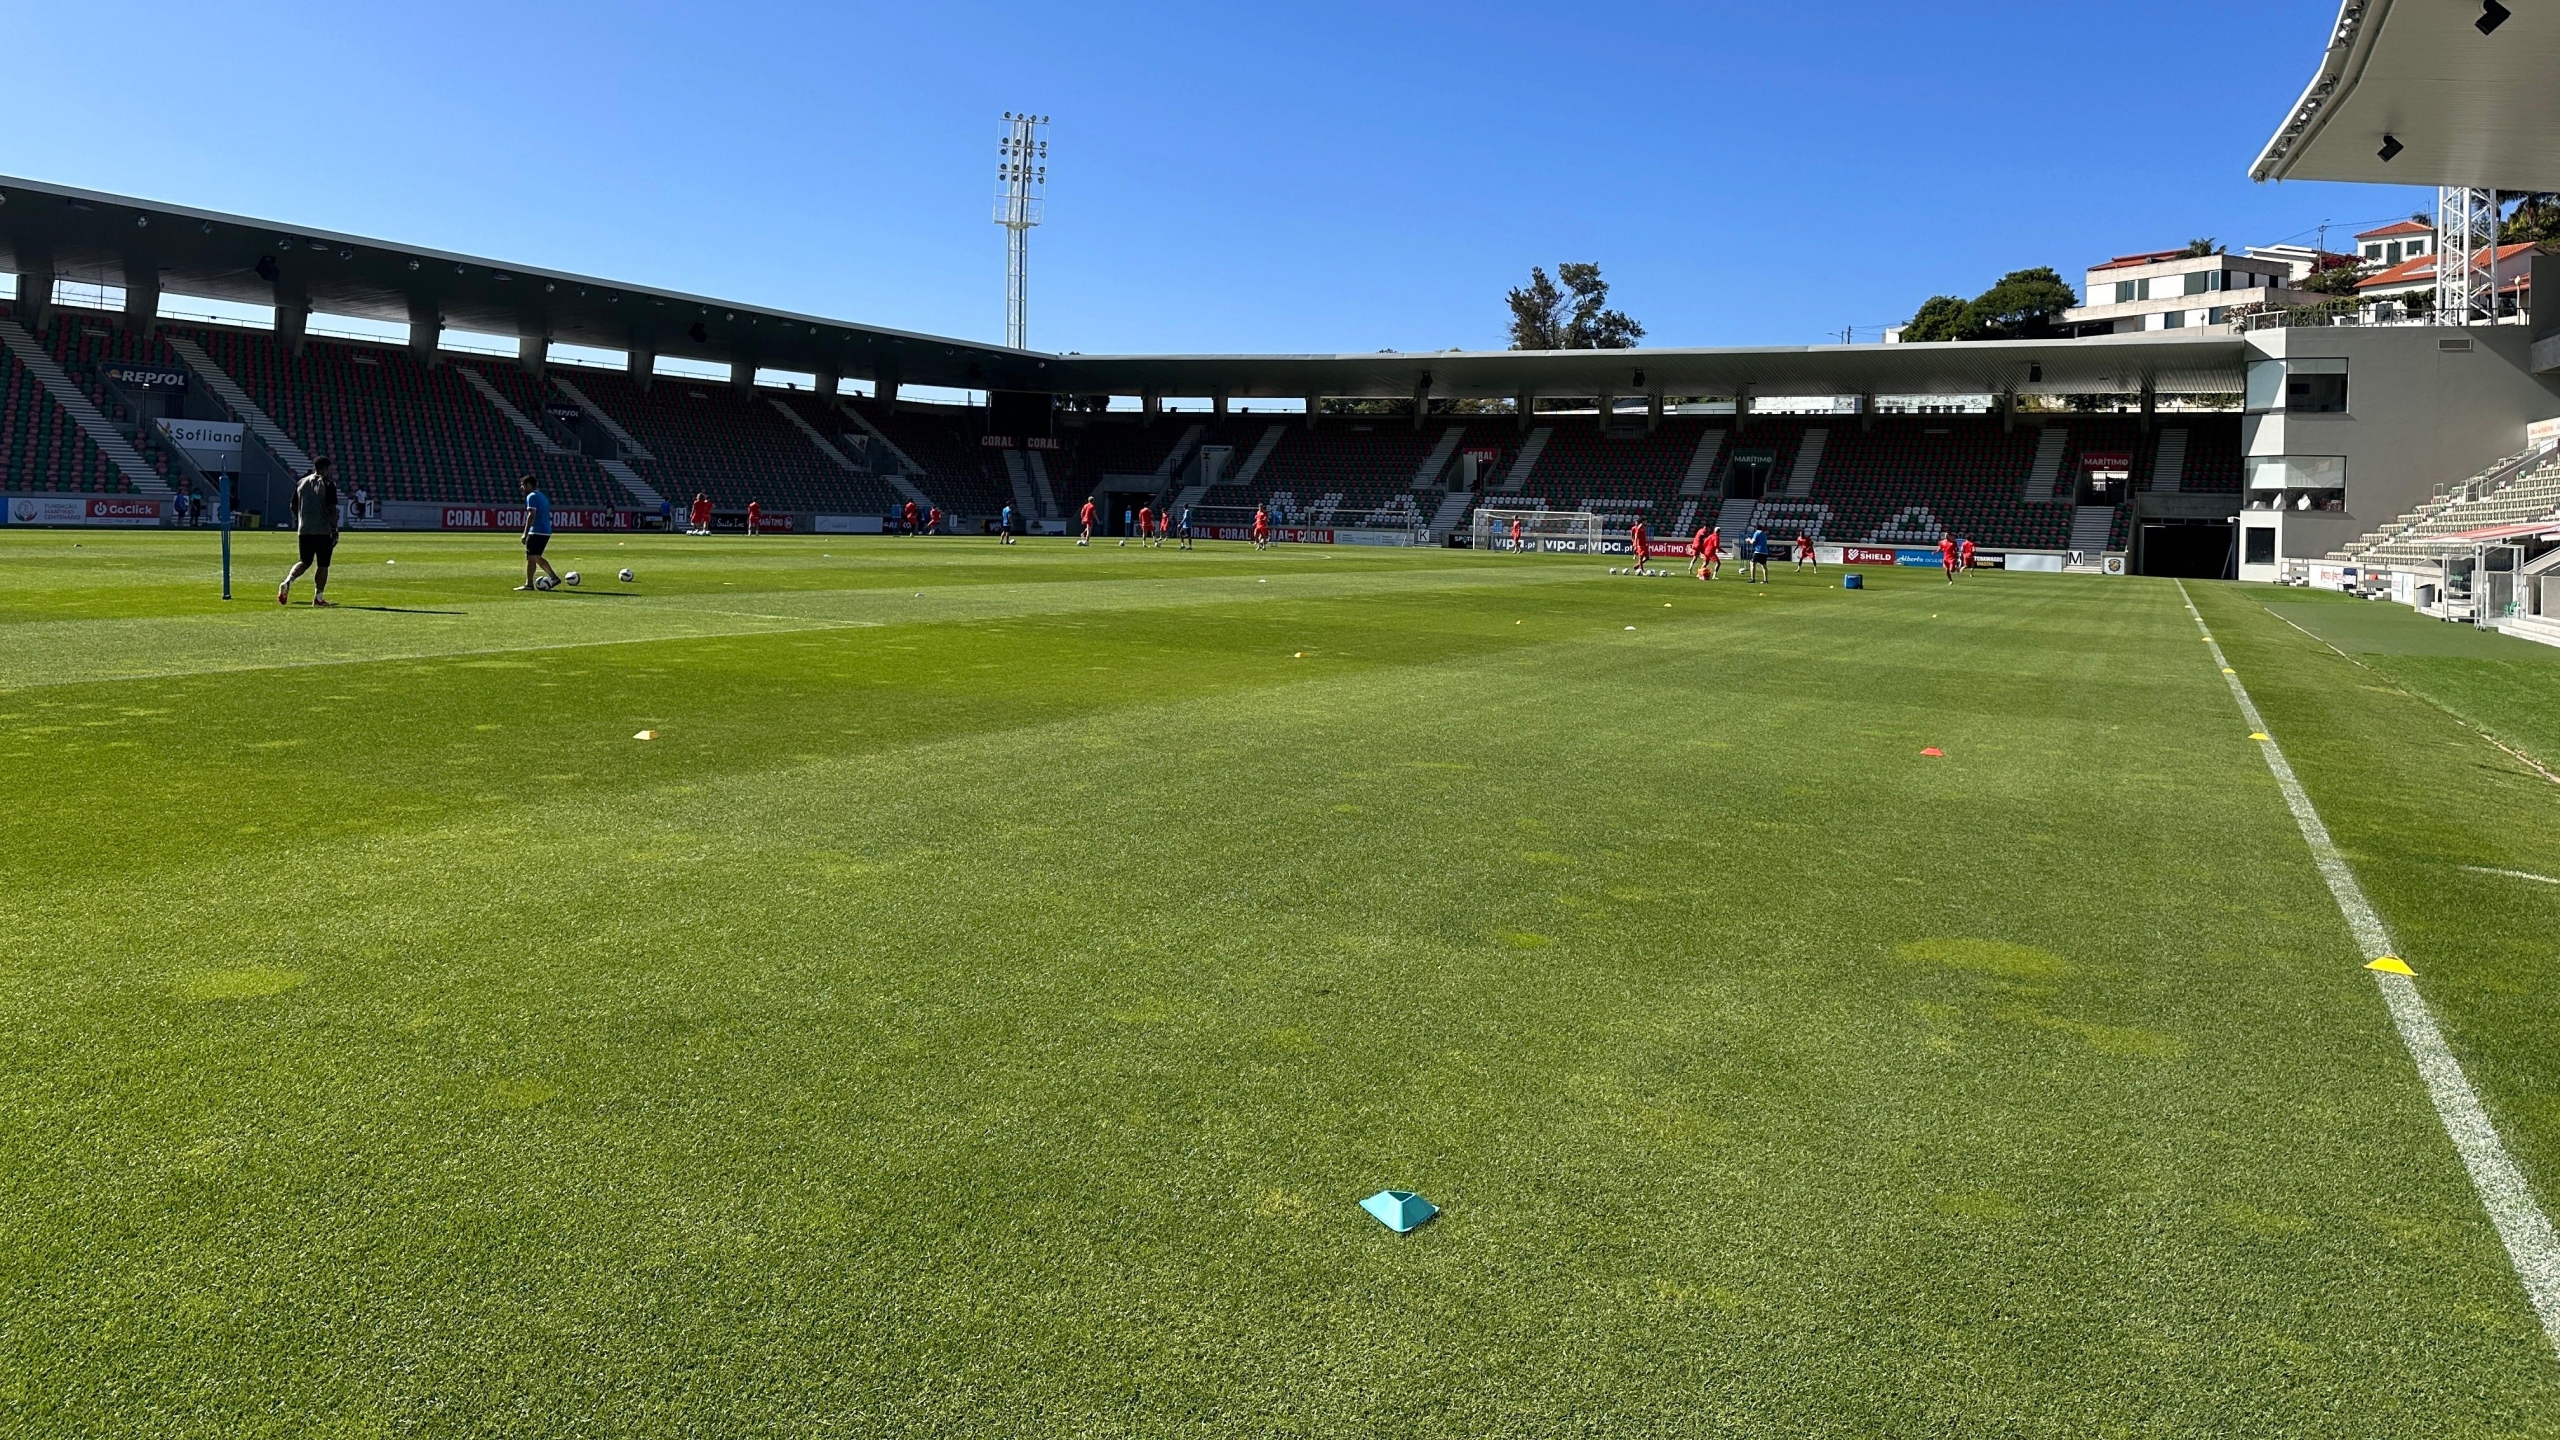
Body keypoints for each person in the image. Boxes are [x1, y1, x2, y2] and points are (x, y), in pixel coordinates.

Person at [276, 455, 341, 607]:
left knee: (304, 561)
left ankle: (287, 581)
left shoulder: (301, 482)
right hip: (323, 530)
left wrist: (301, 519)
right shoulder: (328, 484)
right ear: (326, 469)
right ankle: (318, 598)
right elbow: (332, 510)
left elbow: (293, 506)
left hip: (304, 529)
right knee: (323, 564)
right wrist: (334, 528)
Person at [516, 473, 562, 591]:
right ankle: (530, 583)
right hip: (545, 530)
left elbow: (531, 515)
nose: (522, 488)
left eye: (523, 485)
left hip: (537, 530)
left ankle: (552, 577)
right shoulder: (542, 496)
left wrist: (525, 533)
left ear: (529, 485)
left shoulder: (531, 496)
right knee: (532, 557)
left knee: (533, 556)